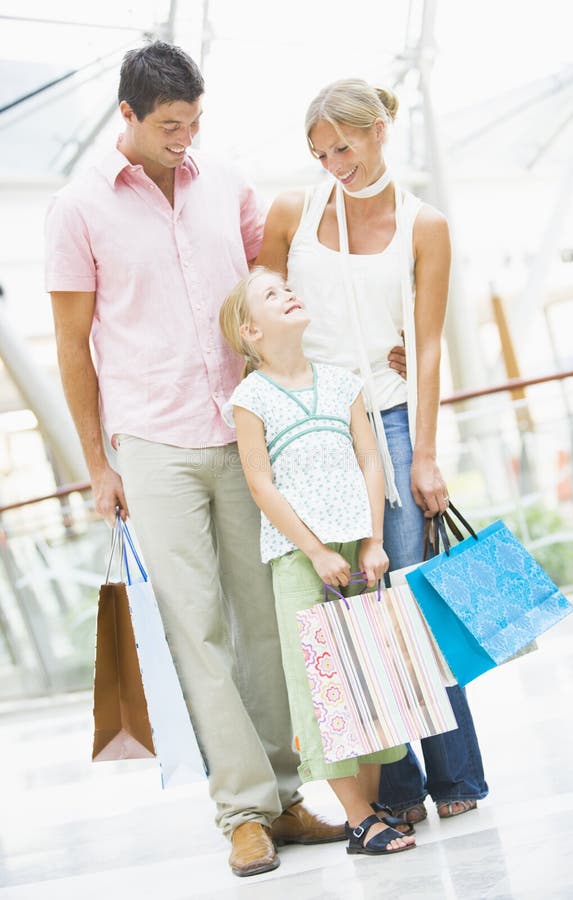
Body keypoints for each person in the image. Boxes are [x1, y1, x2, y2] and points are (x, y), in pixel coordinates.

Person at [44, 41, 346, 878]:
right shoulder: (77, 210)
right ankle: (243, 811)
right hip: (153, 441)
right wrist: (98, 466)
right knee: (198, 628)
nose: (187, 138)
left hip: (243, 428)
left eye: (196, 122)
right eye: (171, 125)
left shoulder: (226, 181)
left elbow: (268, 281)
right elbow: (72, 345)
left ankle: (287, 795)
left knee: (262, 619)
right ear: (129, 116)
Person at [256, 78, 488, 824]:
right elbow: (253, 309)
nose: (334, 163)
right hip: (315, 428)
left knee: (413, 603)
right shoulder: (293, 211)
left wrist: (424, 453)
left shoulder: (427, 225)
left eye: (344, 146)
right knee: (353, 608)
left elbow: (424, 346)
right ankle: (398, 789)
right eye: (320, 152)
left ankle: (457, 780)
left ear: (381, 128)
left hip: (386, 421)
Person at [219, 265, 416, 856]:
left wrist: (373, 540)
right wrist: (315, 549)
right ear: (251, 331)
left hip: (361, 551)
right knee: (323, 687)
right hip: (300, 560)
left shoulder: (343, 383)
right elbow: (261, 484)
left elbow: (370, 460)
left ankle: (373, 807)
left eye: (287, 286)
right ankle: (358, 819)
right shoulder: (249, 398)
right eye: (271, 294)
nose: (288, 293)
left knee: (370, 680)